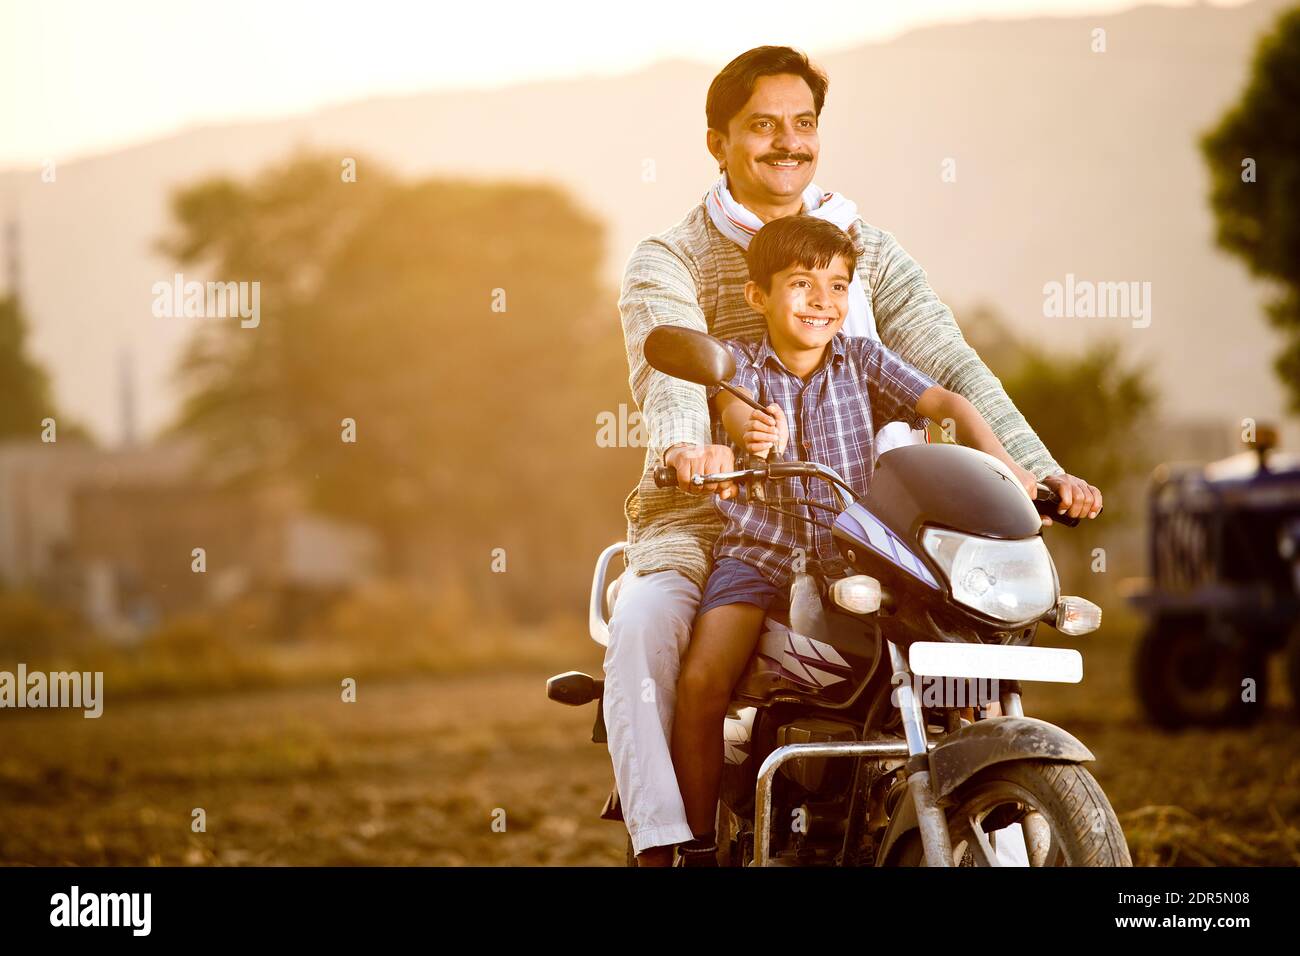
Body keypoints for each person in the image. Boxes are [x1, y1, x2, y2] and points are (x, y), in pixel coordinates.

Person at [607, 45, 1102, 866]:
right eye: (761, 127)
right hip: (715, 508)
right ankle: (668, 845)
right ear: (717, 142)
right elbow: (676, 378)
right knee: (646, 630)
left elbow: (947, 368)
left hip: (864, 514)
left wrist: (1034, 471)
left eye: (803, 125)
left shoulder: (864, 248)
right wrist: (688, 447)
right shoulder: (671, 257)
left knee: (968, 635)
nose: (787, 144)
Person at [667, 215, 1036, 864]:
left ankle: (970, 796)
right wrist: (749, 433)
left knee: (954, 650)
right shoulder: (741, 361)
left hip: (853, 555)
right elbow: (732, 407)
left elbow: (947, 404)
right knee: (701, 681)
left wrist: (1002, 462)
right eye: (802, 284)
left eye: (838, 286)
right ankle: (694, 847)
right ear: (758, 297)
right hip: (760, 552)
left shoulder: (862, 359)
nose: (823, 300)